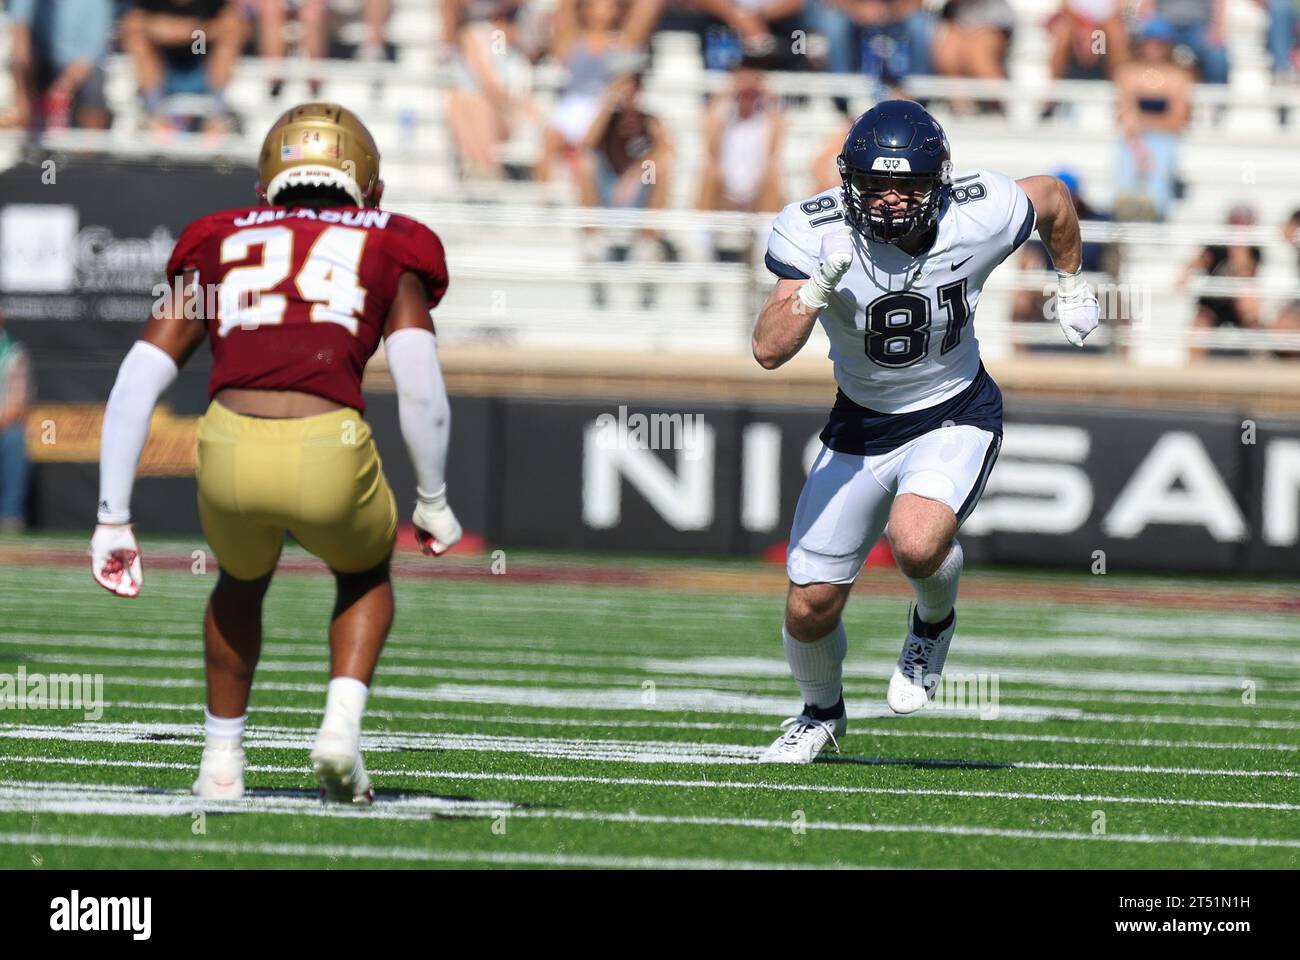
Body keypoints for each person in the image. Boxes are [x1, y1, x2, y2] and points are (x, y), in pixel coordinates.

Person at [90, 102, 464, 803]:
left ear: (266, 187)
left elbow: (138, 376)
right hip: (328, 445)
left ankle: (222, 763)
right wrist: (433, 499)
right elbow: (421, 384)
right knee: (364, 572)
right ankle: (340, 730)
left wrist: (114, 515)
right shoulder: (393, 242)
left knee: (240, 580)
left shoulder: (219, 238)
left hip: (228, 446)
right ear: (369, 188)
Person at [752, 100, 1099, 762]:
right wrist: (816, 286)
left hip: (952, 409)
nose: (888, 201)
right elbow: (768, 349)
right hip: (859, 421)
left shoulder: (979, 210)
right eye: (874, 185)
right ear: (848, 181)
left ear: (936, 184)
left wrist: (1073, 280)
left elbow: (1053, 200)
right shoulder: (812, 229)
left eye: (906, 186)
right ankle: (820, 716)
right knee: (809, 605)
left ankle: (932, 622)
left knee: (915, 543)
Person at [120, 0, 248, 133]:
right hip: (163, 68)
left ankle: (217, 115)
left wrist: (194, 31)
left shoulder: (214, 4)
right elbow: (130, 24)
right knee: (138, 41)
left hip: (201, 57)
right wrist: (156, 28)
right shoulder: (148, 4)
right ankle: (155, 114)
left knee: (228, 39)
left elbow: (236, 25)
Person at [1113, 18, 1190, 220]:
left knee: (1162, 154)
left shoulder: (1178, 76)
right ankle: (1123, 200)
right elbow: (1125, 114)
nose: (1153, 49)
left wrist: (1143, 122)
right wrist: (1140, 130)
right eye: (1149, 42)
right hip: (1135, 136)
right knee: (1125, 152)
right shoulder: (1128, 72)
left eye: (1158, 44)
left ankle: (1155, 204)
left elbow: (1177, 120)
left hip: (1164, 137)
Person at [2, 0, 114, 131]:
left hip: (83, 69)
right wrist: (21, 94)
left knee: (93, 90)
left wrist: (64, 84)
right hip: (45, 63)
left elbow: (92, 54)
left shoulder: (97, 4)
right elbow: (20, 31)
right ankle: (27, 130)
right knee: (25, 66)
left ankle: (91, 148)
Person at [1179, 204, 1262, 361]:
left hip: (1237, 305)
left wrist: (1239, 250)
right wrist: (1186, 275)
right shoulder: (1215, 247)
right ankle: (1193, 367)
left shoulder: (1254, 250)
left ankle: (1257, 360)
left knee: (1249, 303)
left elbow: (1246, 275)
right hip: (1213, 305)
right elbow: (1195, 264)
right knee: (1200, 323)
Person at [0, 310, 31, 534]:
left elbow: (16, 404)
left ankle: (10, 515)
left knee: (15, 438)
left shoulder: (12, 352)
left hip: (3, 424)